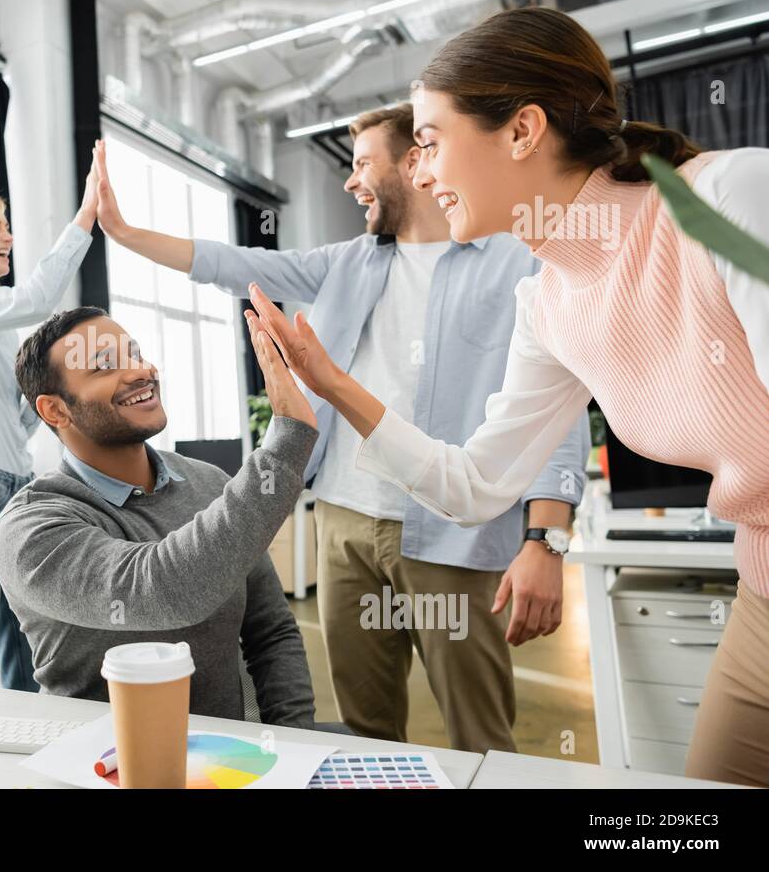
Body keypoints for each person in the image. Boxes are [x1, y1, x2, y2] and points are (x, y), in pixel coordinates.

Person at [247, 6, 769, 787]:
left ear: (522, 131)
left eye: (428, 140)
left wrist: (547, 544)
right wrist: (334, 387)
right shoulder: (550, 300)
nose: (418, 172)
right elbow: (475, 483)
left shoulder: (729, 198)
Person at [91, 114, 589, 755]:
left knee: (479, 737)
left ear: (415, 162)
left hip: (457, 535)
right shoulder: (346, 264)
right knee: (365, 731)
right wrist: (125, 233)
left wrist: (545, 540)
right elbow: (233, 262)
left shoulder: (516, 261)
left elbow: (558, 409)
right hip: (347, 523)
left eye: (362, 164)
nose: (351, 182)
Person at [0, 306, 318, 727]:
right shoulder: (29, 529)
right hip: (97, 771)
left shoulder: (209, 483)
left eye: (135, 354)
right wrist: (286, 443)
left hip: (227, 767)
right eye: (105, 366)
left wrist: (292, 740)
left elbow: (271, 632)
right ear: (55, 411)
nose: (140, 371)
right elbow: (164, 589)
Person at [0, 145, 101, 691]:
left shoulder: (2, 325)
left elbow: (19, 417)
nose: (8, 236)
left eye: (7, 225)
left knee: (29, 653)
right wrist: (83, 221)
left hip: (18, 491)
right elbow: (34, 300)